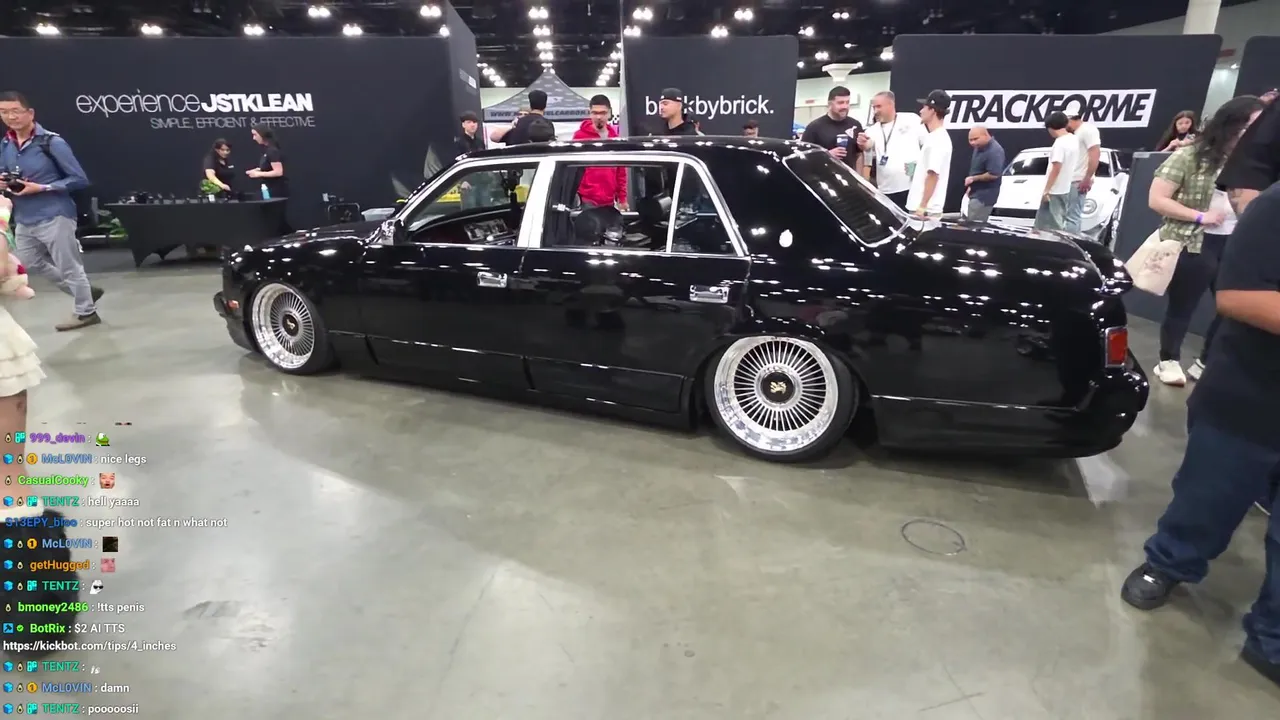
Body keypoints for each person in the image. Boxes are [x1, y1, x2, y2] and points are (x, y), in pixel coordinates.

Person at [1119, 179, 1280, 689]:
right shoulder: (1274, 208)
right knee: (1209, 497)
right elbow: (1238, 297)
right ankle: (1168, 563)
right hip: (1251, 396)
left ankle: (1272, 636)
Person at [1147, 96, 1263, 387]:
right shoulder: (1189, 156)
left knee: (1230, 307)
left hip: (1234, 243)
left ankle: (1205, 360)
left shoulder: (1251, 162)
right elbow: (1157, 199)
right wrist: (1200, 216)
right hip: (1194, 241)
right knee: (1183, 306)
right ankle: (1168, 360)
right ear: (1232, 124)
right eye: (1250, 125)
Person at [0, 91, 102, 331]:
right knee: (29, 262)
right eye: (4, 112)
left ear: (30, 113)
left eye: (15, 111)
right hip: (24, 217)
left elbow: (79, 179)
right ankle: (85, 292)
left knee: (69, 266)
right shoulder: (6, 144)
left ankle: (86, 312)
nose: (10, 117)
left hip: (55, 213)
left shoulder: (52, 143)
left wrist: (43, 187)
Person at [856, 91, 921, 209]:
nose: (875, 111)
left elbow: (925, 145)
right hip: (885, 190)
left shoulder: (912, 119)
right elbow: (867, 150)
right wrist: (863, 144)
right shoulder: (871, 131)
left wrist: (917, 166)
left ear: (891, 104)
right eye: (874, 107)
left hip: (911, 187)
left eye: (879, 106)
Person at [572, 95, 627, 211]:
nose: (598, 117)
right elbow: (573, 169)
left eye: (603, 113)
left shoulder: (614, 138)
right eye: (595, 113)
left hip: (609, 200)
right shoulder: (579, 137)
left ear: (609, 113)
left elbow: (620, 171)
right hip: (586, 200)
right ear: (590, 113)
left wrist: (622, 198)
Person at [905, 90, 953, 218]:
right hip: (923, 208)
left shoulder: (938, 139)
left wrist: (922, 206)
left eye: (924, 107)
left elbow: (933, 175)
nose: (921, 111)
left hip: (925, 211)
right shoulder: (934, 137)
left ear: (932, 110)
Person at [801, 86, 864, 175]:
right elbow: (804, 156)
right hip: (825, 178)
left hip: (849, 178)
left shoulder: (855, 125)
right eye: (840, 103)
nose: (845, 106)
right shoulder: (814, 127)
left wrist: (859, 178)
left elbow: (859, 154)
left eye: (847, 102)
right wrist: (826, 155)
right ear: (830, 104)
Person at [1033, 111, 1079, 233]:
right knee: (1047, 222)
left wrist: (1047, 190)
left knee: (1053, 225)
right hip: (1065, 187)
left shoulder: (1060, 143)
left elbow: (1056, 167)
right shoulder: (1074, 139)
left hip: (1055, 190)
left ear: (1050, 128)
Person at [1066, 114, 1102, 233]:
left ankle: (1070, 243)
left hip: (1078, 179)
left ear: (1070, 120)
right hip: (1073, 179)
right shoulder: (1077, 133)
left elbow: (1095, 154)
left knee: (1072, 217)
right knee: (1069, 216)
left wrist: (1087, 178)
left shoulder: (1088, 130)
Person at [963, 126, 1005, 222]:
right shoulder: (979, 147)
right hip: (975, 193)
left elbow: (994, 174)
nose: (973, 142)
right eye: (970, 140)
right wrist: (971, 187)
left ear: (986, 135)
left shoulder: (995, 151)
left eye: (975, 139)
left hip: (984, 196)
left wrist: (973, 179)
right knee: (971, 222)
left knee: (975, 224)